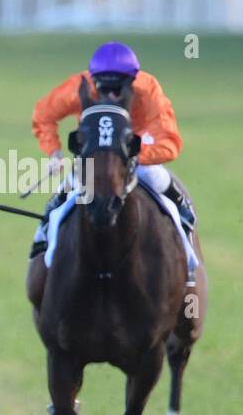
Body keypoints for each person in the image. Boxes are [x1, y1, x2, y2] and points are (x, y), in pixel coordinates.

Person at [29, 40, 193, 256]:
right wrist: (54, 151)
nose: (111, 97)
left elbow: (170, 143)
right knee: (68, 187)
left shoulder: (149, 89)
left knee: (155, 177)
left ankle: (184, 228)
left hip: (137, 152)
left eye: (119, 89)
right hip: (95, 156)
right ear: (93, 81)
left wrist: (131, 156)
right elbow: (43, 114)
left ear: (132, 82)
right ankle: (43, 238)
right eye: (104, 89)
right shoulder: (81, 86)